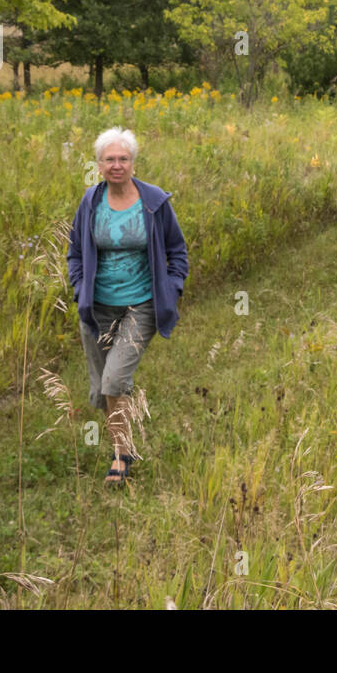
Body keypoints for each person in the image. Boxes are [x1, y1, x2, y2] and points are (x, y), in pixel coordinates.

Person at [67, 127, 188, 485]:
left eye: (123, 158)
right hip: (97, 307)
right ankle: (125, 446)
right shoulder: (91, 201)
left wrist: (172, 288)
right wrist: (78, 289)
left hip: (142, 305)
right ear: (99, 164)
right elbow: (75, 252)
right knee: (104, 387)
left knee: (114, 380)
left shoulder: (154, 202)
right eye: (109, 159)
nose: (116, 165)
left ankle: (120, 458)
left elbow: (177, 251)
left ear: (133, 162)